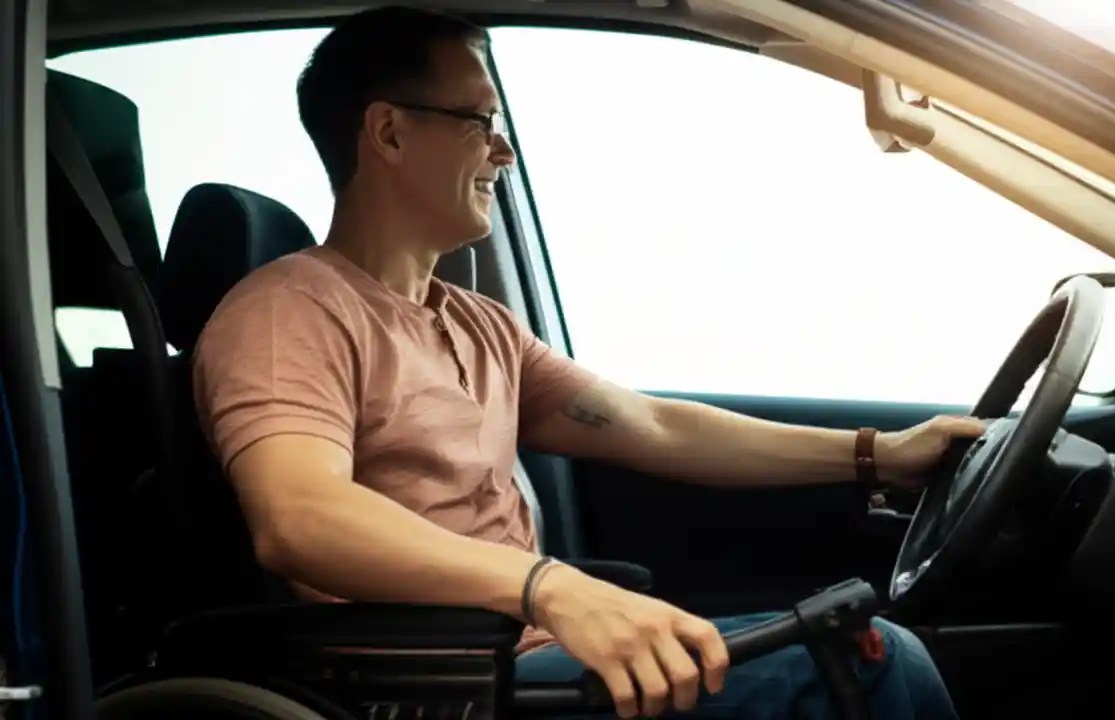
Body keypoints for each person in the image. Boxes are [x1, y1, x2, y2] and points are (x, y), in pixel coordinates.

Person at [192, 6, 987, 719]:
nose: (503, 150)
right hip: (437, 689)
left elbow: (651, 425)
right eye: (480, 120)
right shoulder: (290, 312)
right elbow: (299, 518)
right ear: (390, 133)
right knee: (873, 661)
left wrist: (876, 454)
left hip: (527, 663)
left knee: (870, 647)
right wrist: (551, 587)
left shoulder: (477, 324)